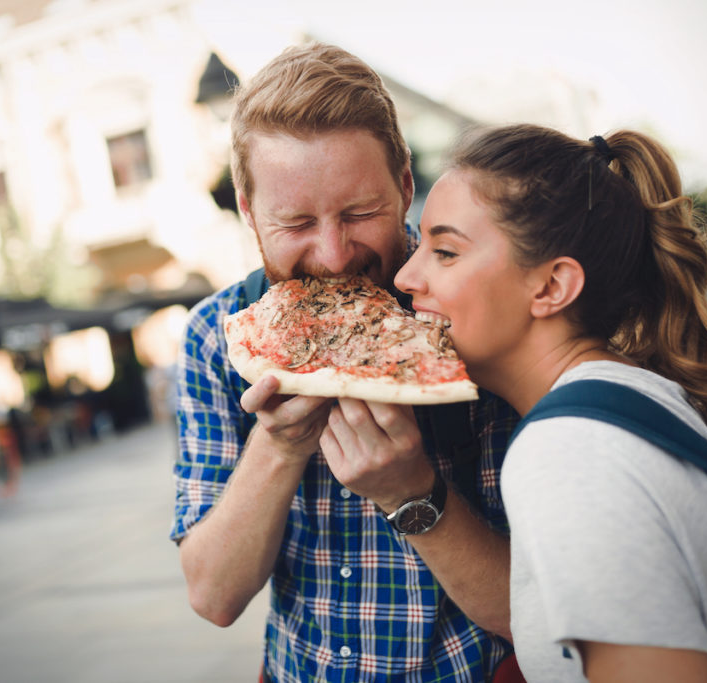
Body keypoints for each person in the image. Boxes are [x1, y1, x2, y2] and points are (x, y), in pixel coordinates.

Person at [394, 124, 707, 682]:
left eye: (444, 251)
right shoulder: (631, 396)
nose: (405, 276)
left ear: (551, 287)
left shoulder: (567, 453)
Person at [171, 43, 519, 682]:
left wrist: (412, 492)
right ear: (249, 211)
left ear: (405, 186)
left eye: (360, 213)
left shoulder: (474, 310)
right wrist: (277, 447)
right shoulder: (213, 337)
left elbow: (530, 611)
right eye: (296, 222)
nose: (332, 256)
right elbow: (214, 597)